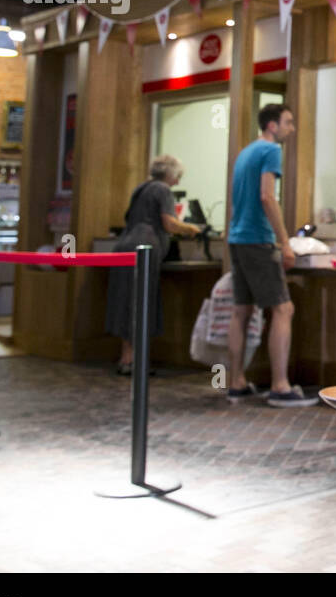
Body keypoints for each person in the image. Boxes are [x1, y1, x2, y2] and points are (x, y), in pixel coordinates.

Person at [225, 103, 315, 407]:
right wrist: (284, 241)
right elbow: (267, 197)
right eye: (288, 122)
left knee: (242, 310)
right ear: (272, 126)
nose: (292, 128)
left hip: (237, 238)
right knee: (283, 309)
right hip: (257, 239)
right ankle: (280, 385)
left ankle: (235, 382)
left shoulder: (245, 153)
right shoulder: (270, 151)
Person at [106, 155, 204, 374]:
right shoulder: (163, 190)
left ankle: (126, 358)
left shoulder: (140, 188)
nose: (178, 181)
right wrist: (192, 229)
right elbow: (169, 223)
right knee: (142, 303)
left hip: (124, 247)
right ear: (170, 174)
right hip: (145, 249)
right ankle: (136, 362)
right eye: (178, 176)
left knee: (126, 301)